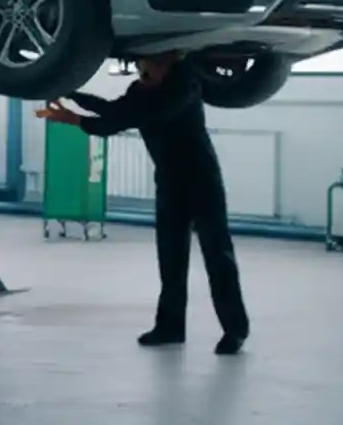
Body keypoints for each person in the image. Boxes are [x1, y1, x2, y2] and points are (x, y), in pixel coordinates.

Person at [36, 52, 250, 355]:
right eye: (141, 63)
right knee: (171, 256)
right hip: (169, 181)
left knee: (217, 253)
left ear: (168, 60)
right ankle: (170, 326)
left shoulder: (185, 85)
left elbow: (130, 117)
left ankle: (235, 330)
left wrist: (77, 119)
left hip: (202, 180)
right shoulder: (140, 91)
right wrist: (69, 93)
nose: (142, 67)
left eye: (149, 62)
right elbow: (113, 109)